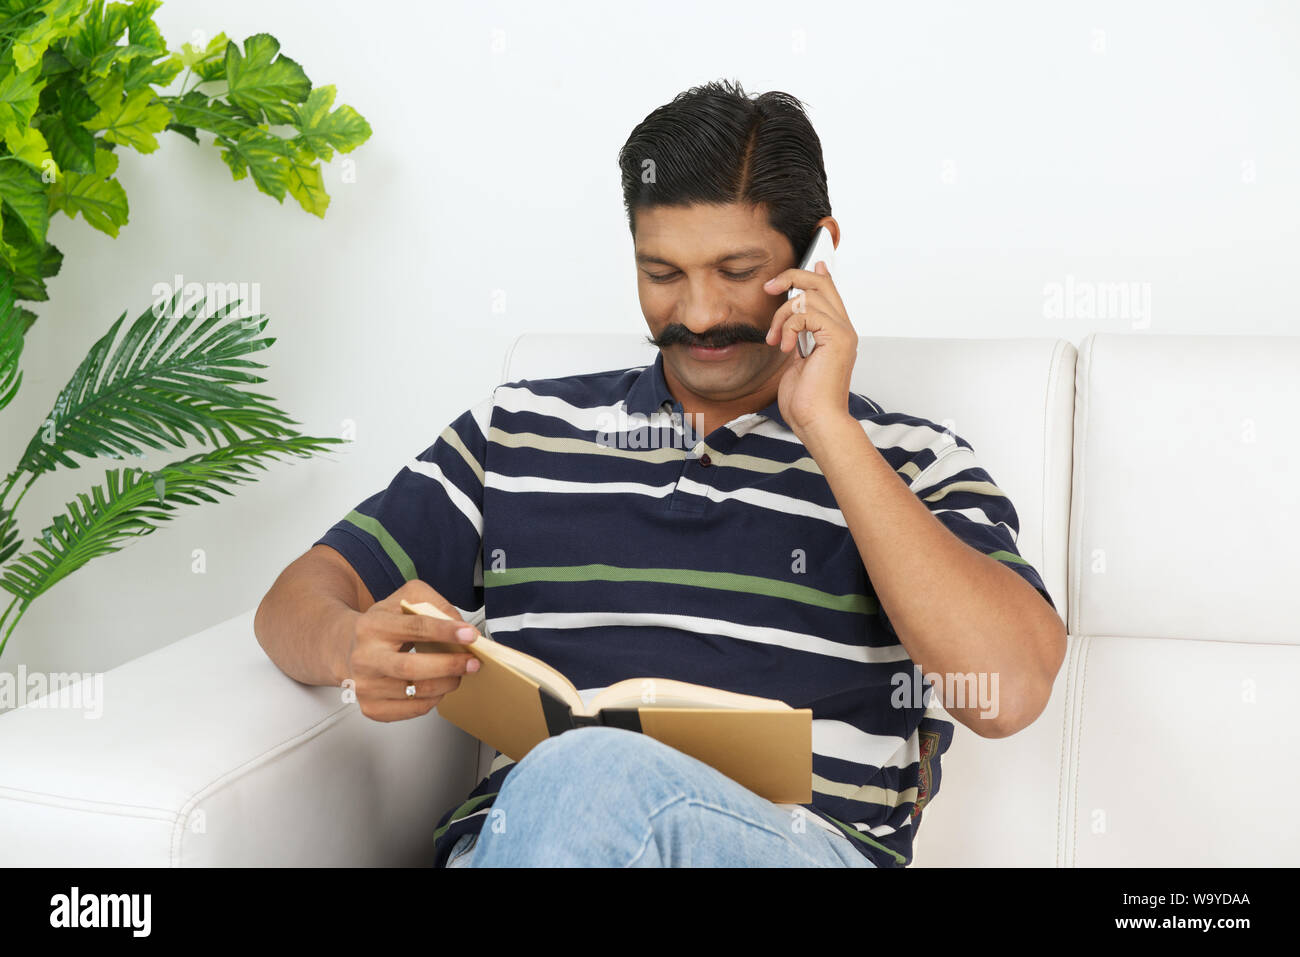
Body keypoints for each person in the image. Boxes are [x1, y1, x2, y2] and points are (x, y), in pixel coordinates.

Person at [255, 79, 1066, 868]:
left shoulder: (911, 462)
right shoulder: (518, 431)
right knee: (574, 785)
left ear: (818, 253)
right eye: (663, 274)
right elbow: (294, 600)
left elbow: (1013, 687)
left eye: (739, 271)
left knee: (591, 773)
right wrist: (350, 643)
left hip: (797, 847)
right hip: (529, 841)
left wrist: (827, 426)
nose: (702, 314)